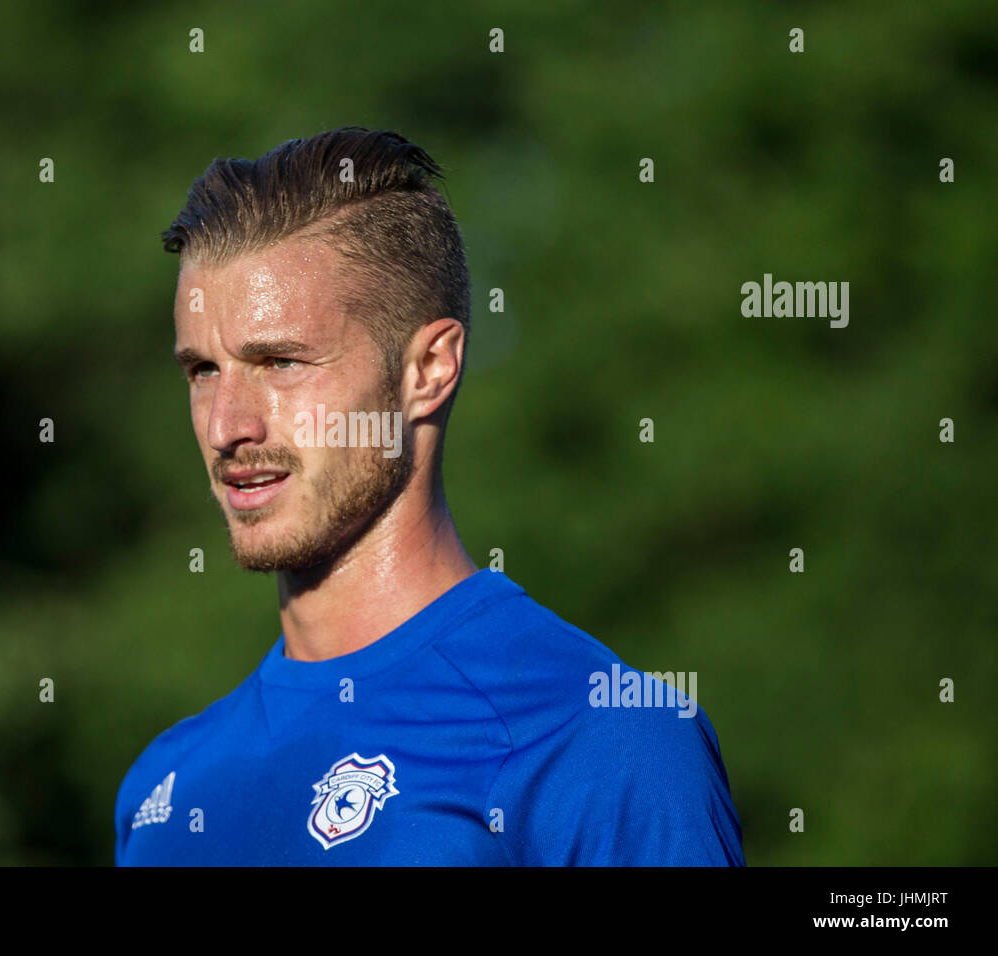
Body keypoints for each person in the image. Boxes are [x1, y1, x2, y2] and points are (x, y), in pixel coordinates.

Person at [115, 127, 744, 865]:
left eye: (280, 362)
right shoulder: (164, 790)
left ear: (428, 369)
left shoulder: (598, 740)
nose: (227, 426)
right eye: (202, 371)